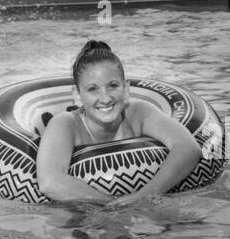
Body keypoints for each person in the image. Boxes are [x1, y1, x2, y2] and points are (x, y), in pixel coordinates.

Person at [35, 39, 203, 205]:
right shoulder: (66, 124)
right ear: (77, 96)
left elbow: (188, 147)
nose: (105, 98)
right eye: (93, 89)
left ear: (126, 89)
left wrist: (147, 194)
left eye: (113, 86)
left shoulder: (137, 113)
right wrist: (114, 205)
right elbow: (49, 182)